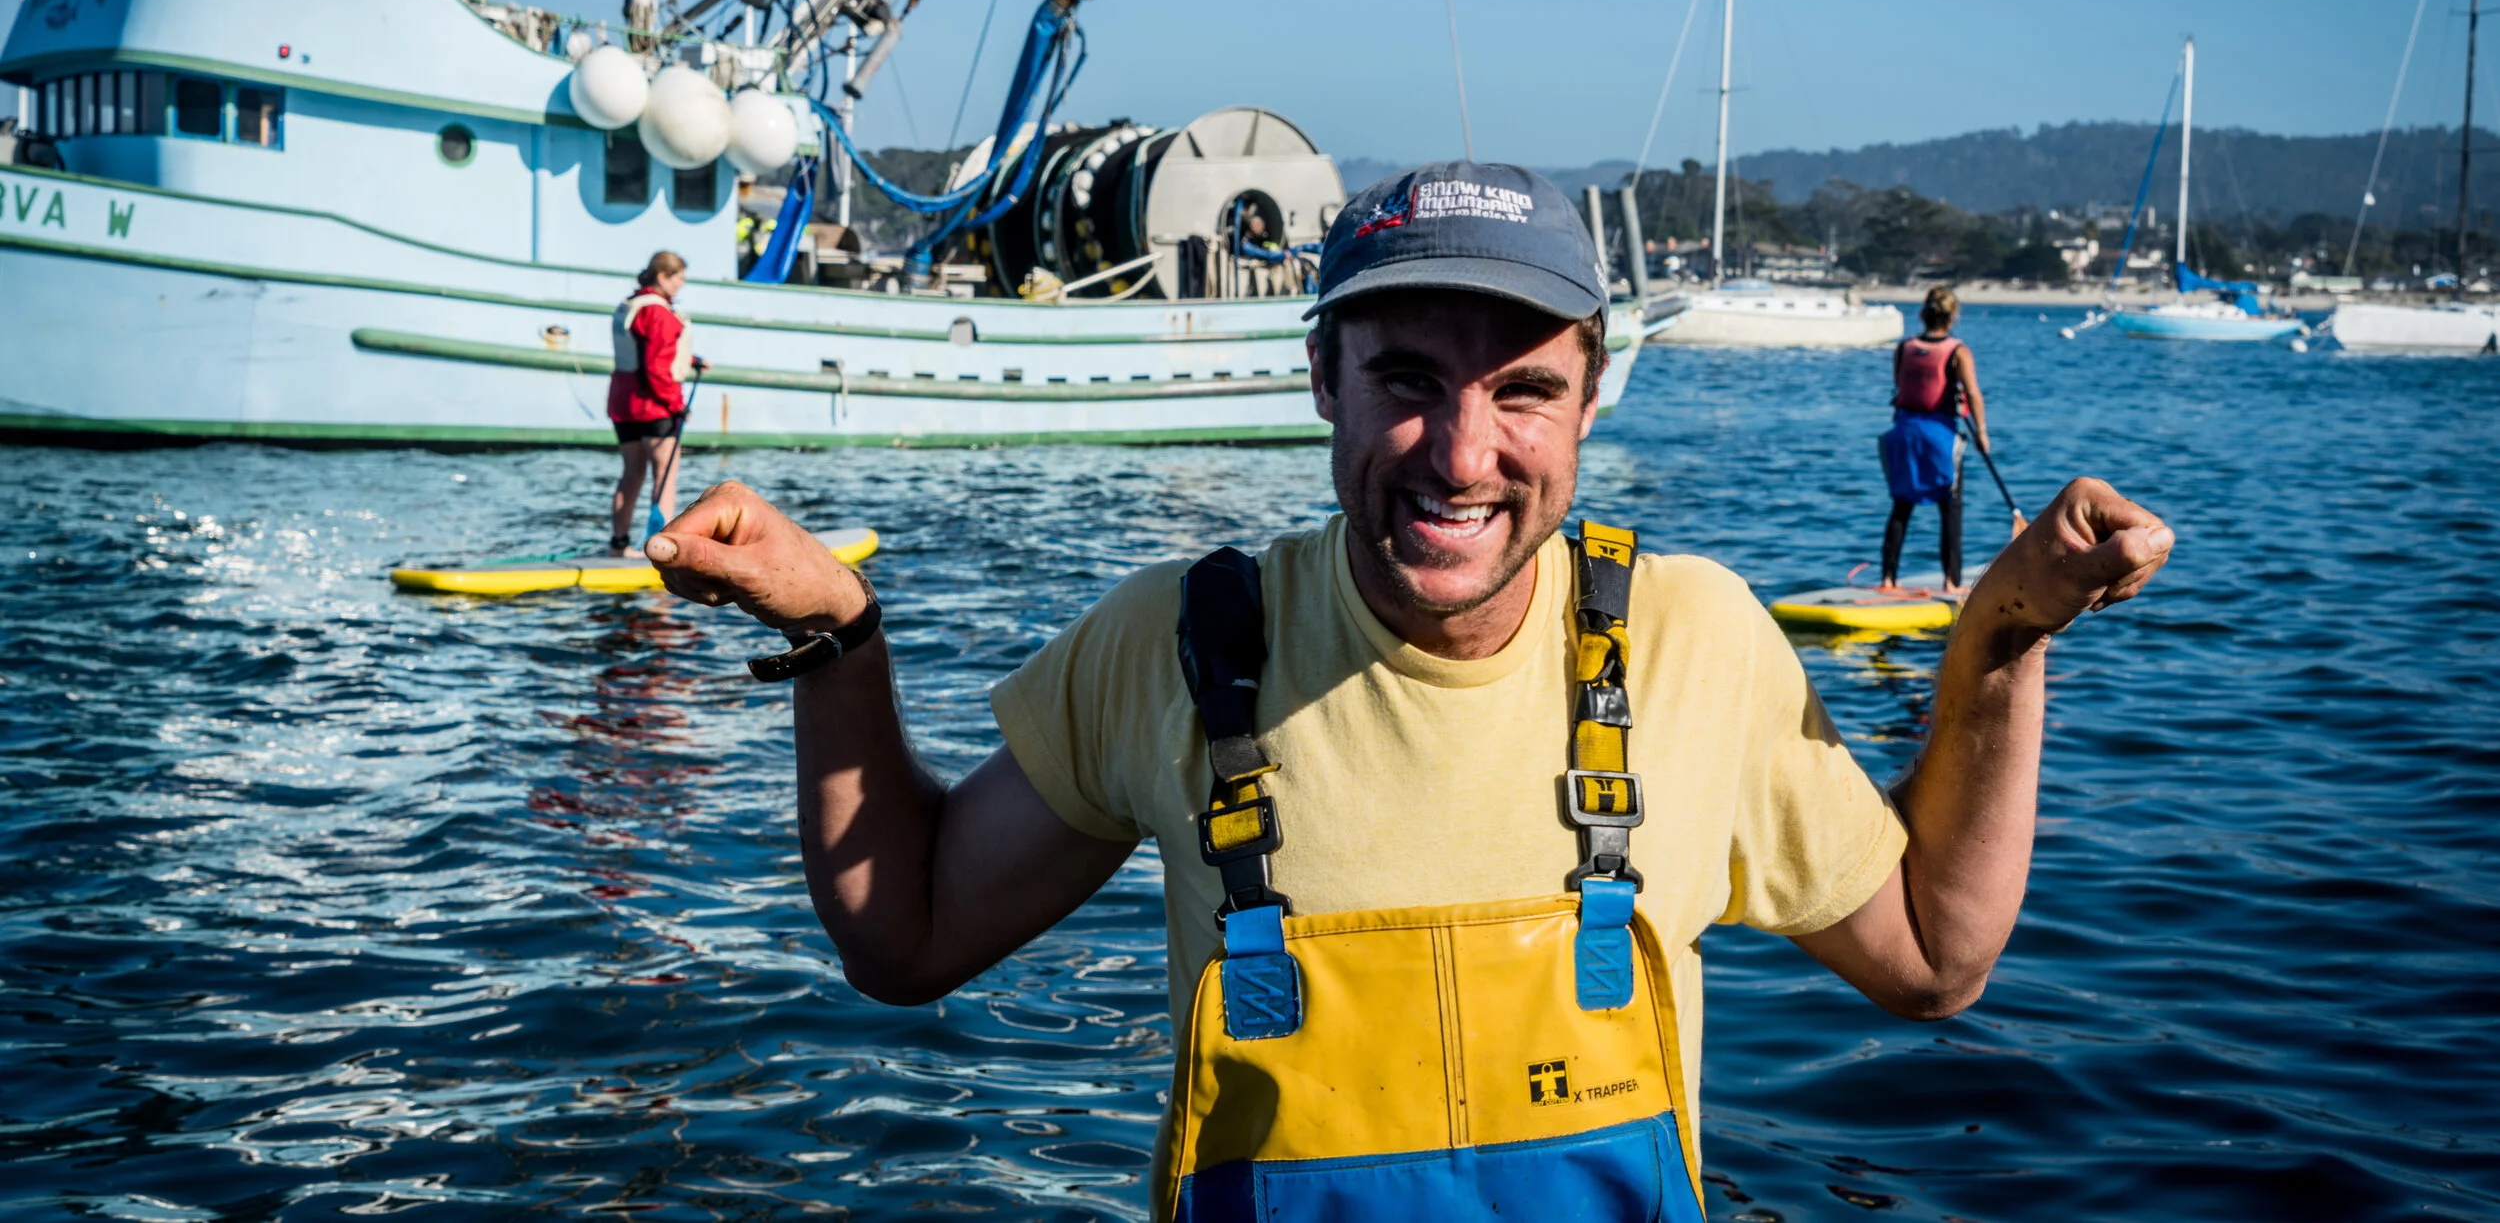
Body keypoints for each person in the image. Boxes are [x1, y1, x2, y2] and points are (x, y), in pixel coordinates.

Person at [643, 163, 2171, 1220]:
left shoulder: (1698, 642)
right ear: (1324, 379)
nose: (1460, 453)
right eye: (1407, 382)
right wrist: (839, 638)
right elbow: (905, 940)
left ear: (1590, 394)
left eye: (1522, 390)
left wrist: (2002, 639)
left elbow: (1932, 961)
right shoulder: (1181, 642)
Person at [1879, 285, 1988, 591]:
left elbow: (1901, 384)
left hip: (1903, 432)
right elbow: (1973, 394)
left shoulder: (1904, 347)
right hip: (1939, 436)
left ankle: (1888, 579)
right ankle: (1951, 583)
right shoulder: (1958, 351)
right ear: (1952, 316)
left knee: (1901, 506)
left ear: (1923, 314)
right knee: (1950, 508)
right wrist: (1981, 433)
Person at [607, 251, 706, 555]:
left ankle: (619, 544)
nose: (680, 286)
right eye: (678, 279)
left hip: (624, 403)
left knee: (632, 474)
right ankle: (662, 549)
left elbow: (645, 349)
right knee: (664, 475)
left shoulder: (632, 305)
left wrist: (691, 360)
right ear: (663, 277)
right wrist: (677, 406)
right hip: (655, 406)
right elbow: (657, 367)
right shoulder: (660, 313)